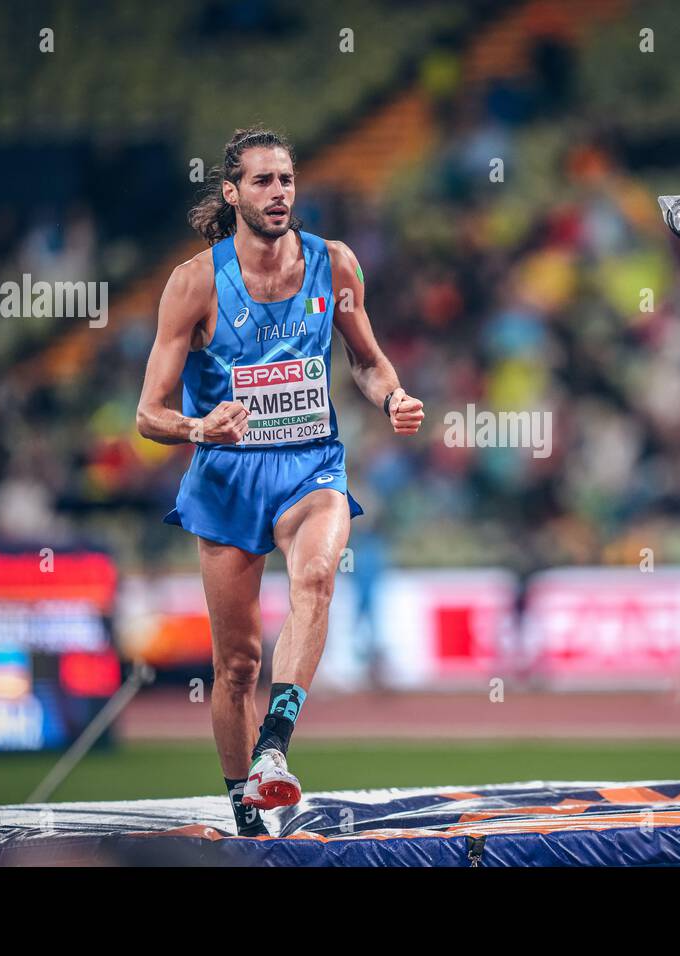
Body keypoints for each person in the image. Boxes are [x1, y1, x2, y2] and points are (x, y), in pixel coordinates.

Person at [136, 127, 424, 835]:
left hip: (311, 465)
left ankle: (274, 747)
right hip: (227, 478)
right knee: (237, 666)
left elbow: (367, 360)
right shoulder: (194, 282)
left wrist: (392, 397)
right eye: (262, 181)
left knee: (317, 577)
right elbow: (148, 414)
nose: (278, 193)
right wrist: (200, 428)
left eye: (286, 180)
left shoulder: (335, 264)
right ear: (232, 193)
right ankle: (246, 817)